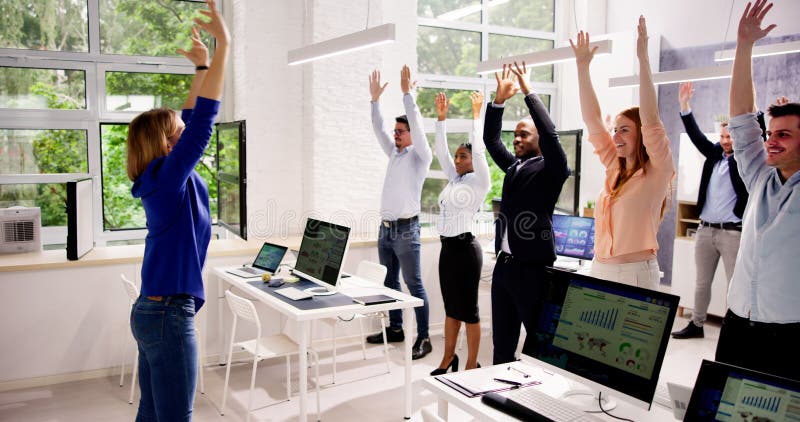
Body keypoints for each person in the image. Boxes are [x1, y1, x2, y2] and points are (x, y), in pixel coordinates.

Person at [125, 1, 229, 420]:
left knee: (152, 411)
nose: (184, 130)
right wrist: (225, 47)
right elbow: (201, 121)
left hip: (153, 310)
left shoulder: (161, 178)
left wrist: (202, 69)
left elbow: (190, 117)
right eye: (177, 131)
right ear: (168, 144)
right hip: (167, 313)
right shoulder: (169, 179)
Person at [716, 0, 800, 380]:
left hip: (788, 334)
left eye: (785, 135)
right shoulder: (761, 177)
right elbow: (741, 120)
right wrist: (744, 45)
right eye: (772, 133)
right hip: (737, 324)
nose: (772, 141)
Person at [570, 17, 674, 290]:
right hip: (600, 267)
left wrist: (643, 58)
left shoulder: (658, 169)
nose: (615, 136)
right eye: (615, 129)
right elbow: (592, 120)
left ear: (641, 134)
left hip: (635, 274)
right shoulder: (614, 167)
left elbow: (651, 118)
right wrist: (582, 67)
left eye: (625, 130)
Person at [485, 62, 569, 365]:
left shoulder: (552, 169)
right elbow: (491, 141)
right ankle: (497, 399)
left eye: (524, 134)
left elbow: (550, 133)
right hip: (504, 268)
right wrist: (498, 102)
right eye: (515, 135)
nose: (516, 139)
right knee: (502, 346)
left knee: (538, 346)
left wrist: (529, 93)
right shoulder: (515, 167)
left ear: (539, 140)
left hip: (533, 271)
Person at [671, 82, 751, 340]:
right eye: (724, 137)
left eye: (731, 137)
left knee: (733, 285)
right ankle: (697, 323)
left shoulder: (745, 160)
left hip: (732, 234)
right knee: (702, 283)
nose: (727, 141)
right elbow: (696, 136)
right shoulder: (714, 155)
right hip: (705, 230)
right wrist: (685, 107)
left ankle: (733, 330)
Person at [366, 65, 434, 360]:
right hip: (386, 229)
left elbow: (418, 127)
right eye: (395, 131)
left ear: (411, 135)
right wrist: (374, 102)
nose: (395, 135)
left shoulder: (421, 157)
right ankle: (395, 328)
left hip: (407, 230)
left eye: (400, 131)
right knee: (389, 281)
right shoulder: (394, 153)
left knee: (413, 284)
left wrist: (408, 95)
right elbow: (377, 129)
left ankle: (424, 337)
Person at [430, 91, 491, 374]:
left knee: (469, 310)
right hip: (448, 249)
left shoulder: (480, 182)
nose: (456, 160)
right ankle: (447, 359)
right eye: (457, 156)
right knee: (451, 308)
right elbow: (440, 150)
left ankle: (470, 363)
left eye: (462, 156)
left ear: (473, 160)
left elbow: (479, 151)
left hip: (467, 250)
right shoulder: (454, 180)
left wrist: (476, 115)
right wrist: (440, 119)